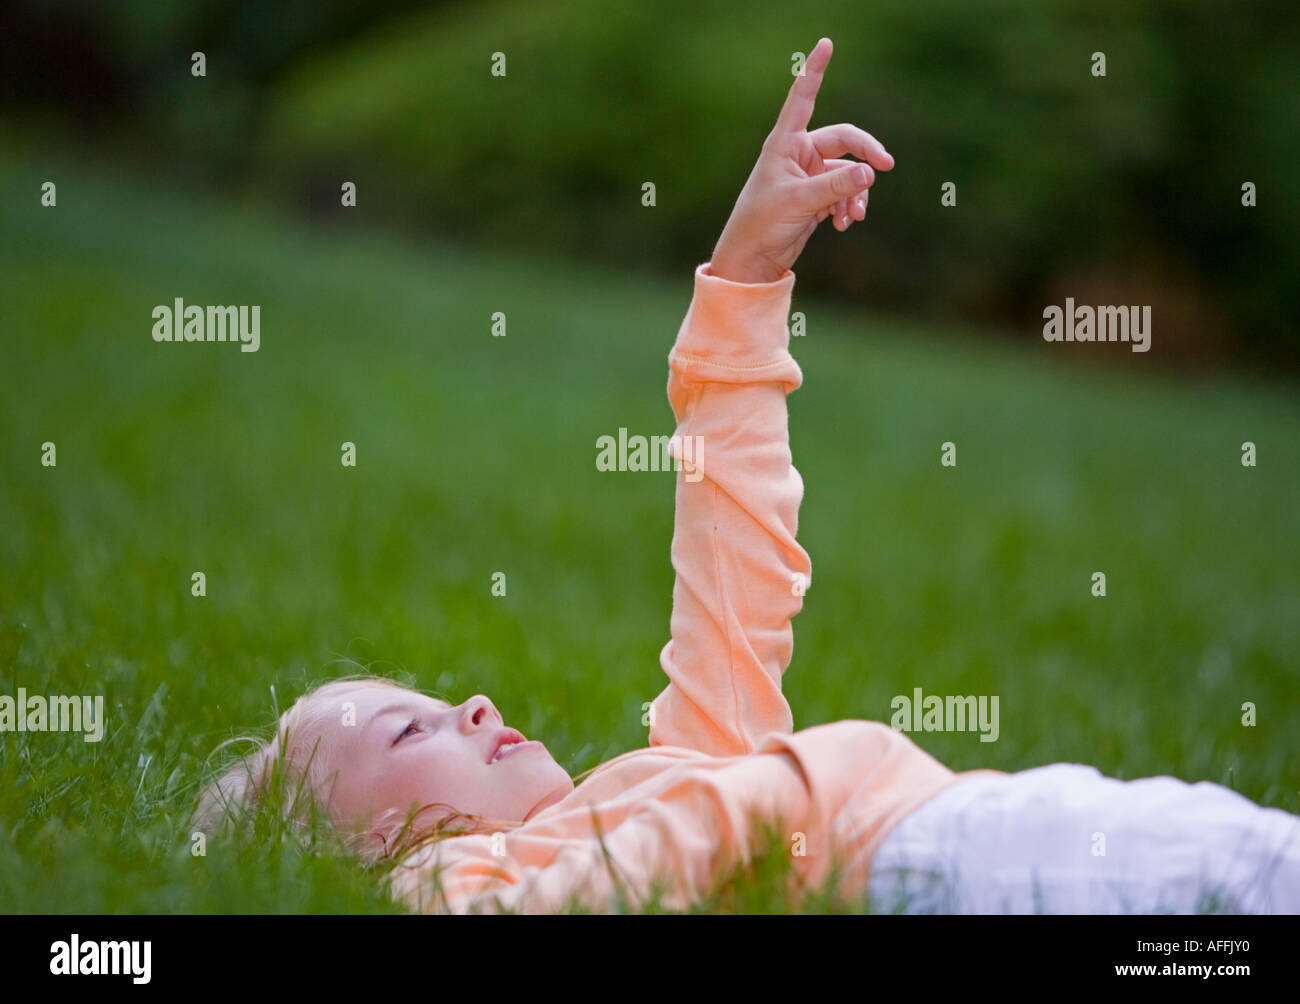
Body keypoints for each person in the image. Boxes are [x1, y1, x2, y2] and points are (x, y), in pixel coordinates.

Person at [192, 37, 1300, 915]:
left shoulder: (653, 789)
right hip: (936, 866)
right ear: (375, 847)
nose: (472, 702)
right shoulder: (467, 888)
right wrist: (754, 800)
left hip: (976, 826)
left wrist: (745, 272)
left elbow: (733, 579)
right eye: (409, 731)